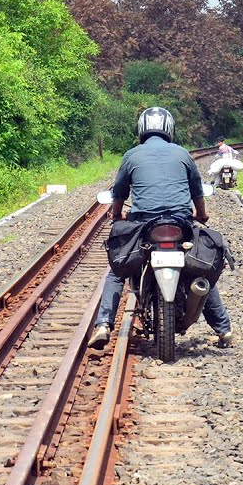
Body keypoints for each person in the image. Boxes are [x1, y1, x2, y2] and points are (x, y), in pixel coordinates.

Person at [90, 107, 233, 349]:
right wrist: (202, 215)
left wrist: (116, 215)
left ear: (142, 129)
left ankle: (103, 324)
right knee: (200, 269)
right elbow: (197, 191)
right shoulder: (182, 153)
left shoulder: (131, 155)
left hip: (143, 223)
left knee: (116, 271)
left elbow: (120, 192)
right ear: (169, 129)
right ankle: (224, 329)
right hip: (180, 223)